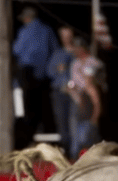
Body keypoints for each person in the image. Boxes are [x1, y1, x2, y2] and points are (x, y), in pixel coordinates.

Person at [12, 7, 58, 149]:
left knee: (28, 109)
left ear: (27, 18)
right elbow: (54, 50)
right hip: (44, 76)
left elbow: (16, 50)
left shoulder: (25, 31)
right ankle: (46, 139)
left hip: (28, 74)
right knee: (43, 108)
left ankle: (26, 139)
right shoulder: (47, 30)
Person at [67, 37, 103, 159]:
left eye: (78, 47)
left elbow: (97, 104)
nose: (76, 50)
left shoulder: (94, 63)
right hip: (77, 103)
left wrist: (94, 118)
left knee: (87, 138)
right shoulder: (74, 63)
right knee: (76, 136)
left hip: (88, 113)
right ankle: (75, 158)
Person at [46, 26, 75, 157]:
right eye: (63, 36)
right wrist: (58, 69)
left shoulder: (77, 53)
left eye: (68, 36)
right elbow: (49, 71)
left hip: (75, 93)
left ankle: (76, 150)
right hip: (60, 92)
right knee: (62, 122)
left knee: (74, 121)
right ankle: (66, 151)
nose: (66, 39)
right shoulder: (57, 54)